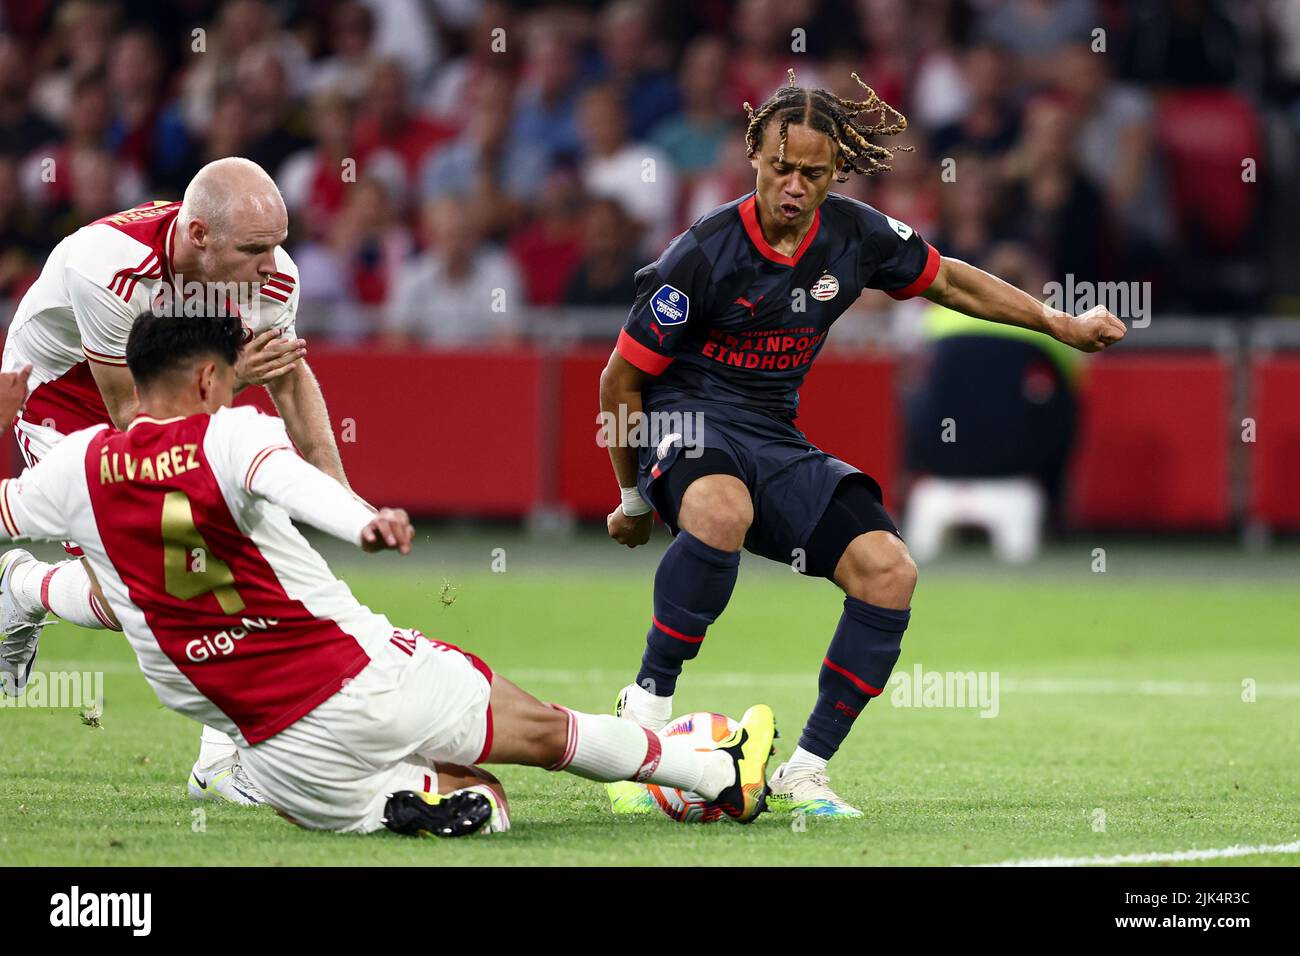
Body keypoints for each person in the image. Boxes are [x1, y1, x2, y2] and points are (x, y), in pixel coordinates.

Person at [0, 310, 777, 835]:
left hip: (276, 755)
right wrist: (360, 517)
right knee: (547, 733)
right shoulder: (227, 434)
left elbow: (8, 509)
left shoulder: (74, 468)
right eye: (231, 376)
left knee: (473, 801)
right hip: (360, 680)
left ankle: (397, 806)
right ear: (207, 380)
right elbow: (287, 477)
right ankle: (713, 770)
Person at [600, 71, 1125, 817]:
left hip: (774, 434)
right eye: (780, 168)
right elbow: (618, 382)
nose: (793, 185)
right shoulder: (702, 252)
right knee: (720, 512)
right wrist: (628, 498)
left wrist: (1058, 322)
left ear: (836, 171)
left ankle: (804, 770)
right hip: (687, 417)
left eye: (813, 173)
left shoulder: (855, 234)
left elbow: (952, 283)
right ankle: (645, 720)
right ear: (753, 154)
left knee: (889, 571)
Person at [0, 156, 354, 806]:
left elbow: (291, 375)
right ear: (198, 238)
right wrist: (235, 374)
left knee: (148, 585)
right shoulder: (109, 268)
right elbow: (139, 425)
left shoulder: (268, 274)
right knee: (169, 574)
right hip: (64, 390)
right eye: (254, 249)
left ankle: (23, 588)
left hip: (176, 379)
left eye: (278, 244)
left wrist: (342, 499)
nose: (273, 267)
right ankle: (223, 764)